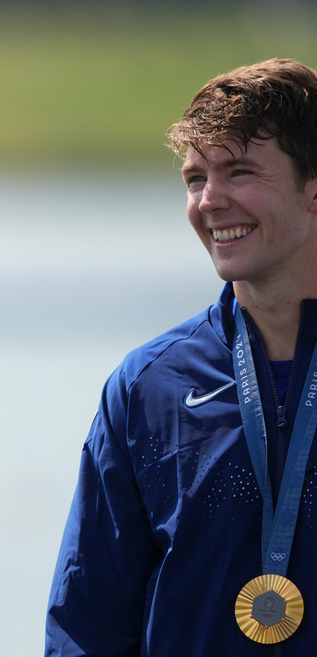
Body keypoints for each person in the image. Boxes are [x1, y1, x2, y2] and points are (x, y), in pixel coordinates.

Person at [46, 58, 317, 655]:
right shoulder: (150, 385)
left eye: (240, 171)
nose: (210, 201)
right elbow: (88, 623)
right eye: (195, 179)